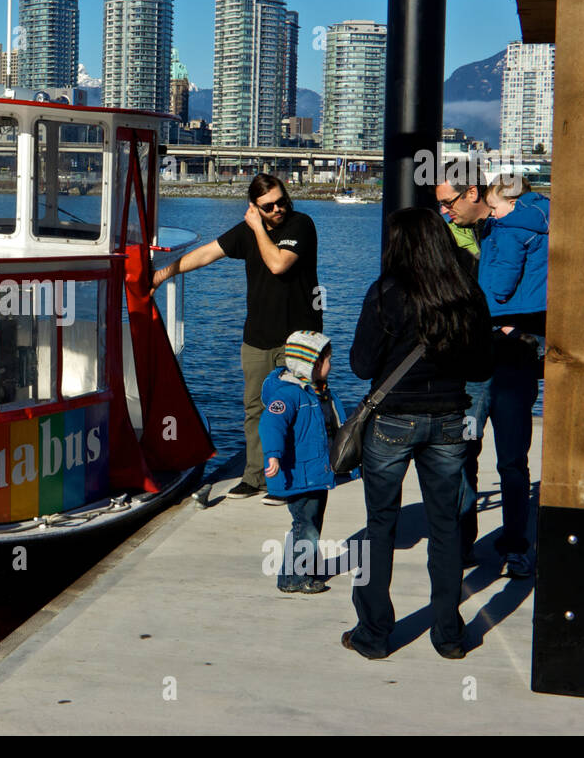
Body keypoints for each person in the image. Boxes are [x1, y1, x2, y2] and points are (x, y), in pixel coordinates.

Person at [343, 208, 494, 661]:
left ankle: (373, 634)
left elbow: (361, 366)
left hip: (392, 420)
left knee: (380, 525)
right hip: (448, 419)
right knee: (446, 526)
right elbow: (483, 367)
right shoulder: (467, 293)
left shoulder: (385, 293)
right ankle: (448, 634)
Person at [151, 173, 320, 503]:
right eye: (269, 206)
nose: (278, 209)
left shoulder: (301, 225)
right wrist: (161, 274)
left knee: (294, 410)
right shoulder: (247, 232)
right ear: (254, 207)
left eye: (282, 201)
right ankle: (255, 476)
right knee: (255, 409)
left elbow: (277, 265)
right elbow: (206, 254)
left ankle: (291, 481)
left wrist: (257, 227)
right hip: (257, 337)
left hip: (298, 339)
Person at [478, 176, 550, 578]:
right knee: (514, 457)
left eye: (493, 205)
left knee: (470, 448)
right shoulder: (544, 220)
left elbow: (500, 287)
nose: (490, 213)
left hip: (500, 339)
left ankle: (482, 542)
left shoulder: (509, 230)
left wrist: (483, 308)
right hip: (527, 341)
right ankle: (516, 542)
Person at [435, 168, 494, 565]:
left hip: (500, 354)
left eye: (448, 203)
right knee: (461, 449)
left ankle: (517, 545)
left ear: (472, 192)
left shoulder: (503, 231)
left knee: (507, 455)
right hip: (461, 355)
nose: (444, 211)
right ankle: (460, 542)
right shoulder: (447, 236)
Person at [259, 331, 347, 594]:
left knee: (311, 523)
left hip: (317, 473)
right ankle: (292, 578)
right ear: (312, 364)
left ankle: (303, 566)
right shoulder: (289, 395)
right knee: (304, 524)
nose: (332, 365)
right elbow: (271, 423)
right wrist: (272, 454)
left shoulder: (319, 393)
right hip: (300, 475)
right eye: (328, 360)